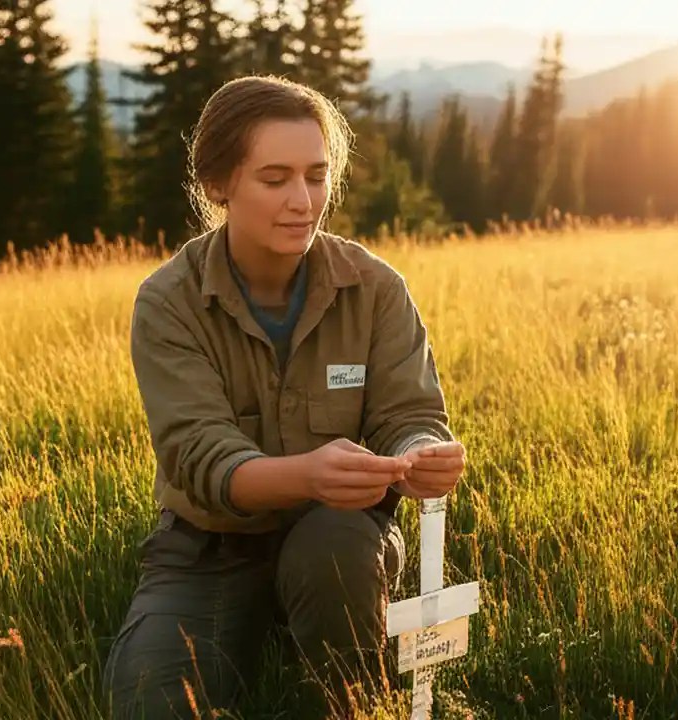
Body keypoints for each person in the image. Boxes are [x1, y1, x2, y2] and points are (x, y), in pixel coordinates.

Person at [101, 75, 465, 719]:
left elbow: (409, 416)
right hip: (207, 550)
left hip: (338, 539)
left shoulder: (376, 289)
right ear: (218, 184)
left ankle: (349, 688)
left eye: (316, 176)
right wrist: (307, 475)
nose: (303, 200)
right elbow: (199, 455)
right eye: (275, 179)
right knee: (148, 703)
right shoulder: (169, 302)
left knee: (335, 548)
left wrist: (421, 453)